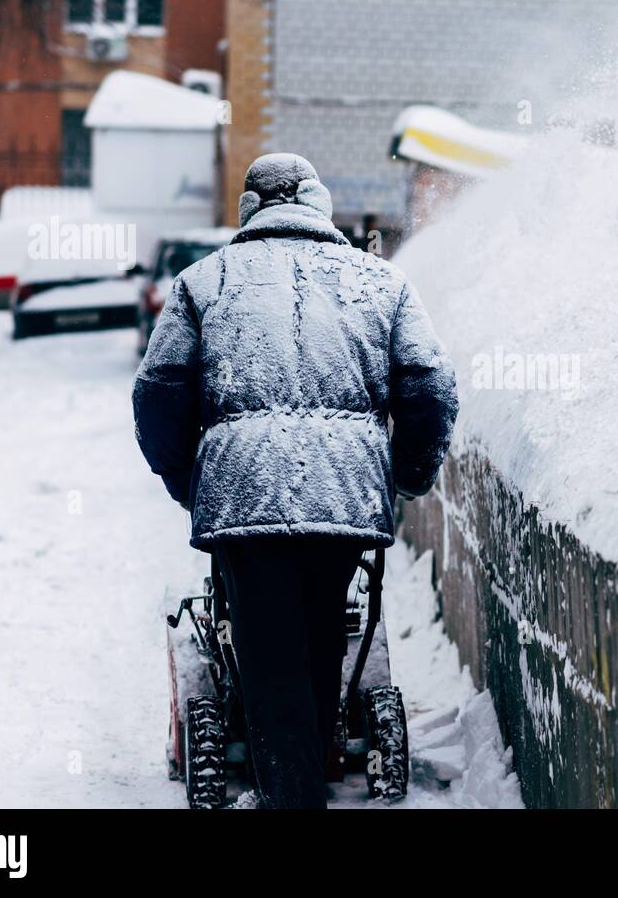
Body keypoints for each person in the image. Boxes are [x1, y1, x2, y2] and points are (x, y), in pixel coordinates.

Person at [132, 153, 459, 808]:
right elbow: (431, 387)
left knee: (270, 658)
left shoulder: (204, 281)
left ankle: (291, 792)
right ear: (319, 204)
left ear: (248, 208)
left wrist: (189, 480)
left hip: (243, 500)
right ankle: (304, 775)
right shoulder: (381, 282)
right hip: (344, 496)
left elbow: (158, 392)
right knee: (322, 637)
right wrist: (406, 474)